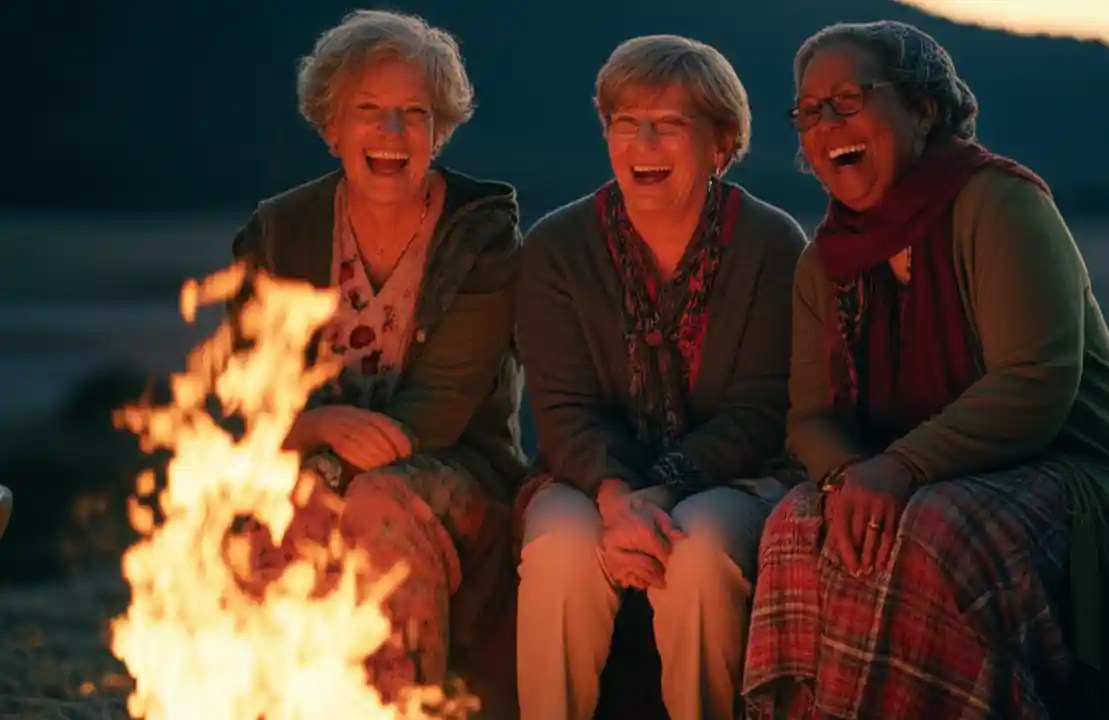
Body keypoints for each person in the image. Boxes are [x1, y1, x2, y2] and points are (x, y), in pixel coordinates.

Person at [743, 20, 1109, 720]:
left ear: (923, 110)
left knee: (935, 532)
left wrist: (899, 468)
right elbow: (811, 418)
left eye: (849, 100)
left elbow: (1033, 383)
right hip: (911, 476)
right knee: (798, 525)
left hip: (1078, 473)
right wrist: (849, 479)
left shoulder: (1000, 203)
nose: (826, 125)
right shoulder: (825, 263)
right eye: (810, 111)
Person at [229, 9, 524, 708]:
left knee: (374, 503)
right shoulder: (279, 234)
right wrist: (316, 429)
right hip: (311, 457)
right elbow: (245, 397)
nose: (392, 132)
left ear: (439, 130)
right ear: (331, 128)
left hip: (457, 473)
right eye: (369, 111)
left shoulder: (481, 237)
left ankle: (404, 707)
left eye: (413, 114)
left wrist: (324, 465)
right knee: (252, 517)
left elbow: (439, 409)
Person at [513, 34, 807, 720]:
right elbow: (564, 409)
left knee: (699, 552)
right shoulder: (556, 247)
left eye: (670, 124)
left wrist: (662, 491)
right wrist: (619, 498)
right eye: (625, 122)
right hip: (588, 475)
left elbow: (761, 411)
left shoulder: (772, 245)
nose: (643, 142)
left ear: (721, 144)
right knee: (558, 548)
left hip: (735, 474)